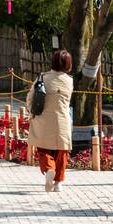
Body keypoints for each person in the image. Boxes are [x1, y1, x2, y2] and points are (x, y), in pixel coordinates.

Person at [26, 49, 74, 194]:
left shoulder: (42, 78)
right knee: (62, 152)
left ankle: (49, 170)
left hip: (43, 120)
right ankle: (58, 183)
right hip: (62, 120)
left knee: (43, 149)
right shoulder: (69, 81)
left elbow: (30, 98)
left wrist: (31, 111)